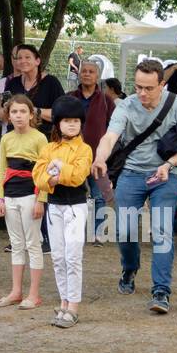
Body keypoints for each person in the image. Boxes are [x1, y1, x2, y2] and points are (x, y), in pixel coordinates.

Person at [92, 59, 177, 314]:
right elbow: (110, 137)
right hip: (131, 174)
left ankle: (161, 291)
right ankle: (130, 267)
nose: (141, 93)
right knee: (124, 230)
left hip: (165, 176)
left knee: (162, 232)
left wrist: (170, 164)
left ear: (162, 84)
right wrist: (99, 158)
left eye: (148, 88)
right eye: (138, 86)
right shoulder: (126, 105)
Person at [32, 96, 93, 328]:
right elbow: (38, 177)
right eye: (66, 120)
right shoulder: (49, 149)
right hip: (54, 206)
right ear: (57, 123)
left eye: (76, 121)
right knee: (57, 256)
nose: (71, 125)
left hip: (75, 207)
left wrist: (57, 169)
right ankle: (63, 302)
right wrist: (56, 175)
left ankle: (74, 306)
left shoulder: (84, 149)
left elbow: (78, 176)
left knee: (73, 255)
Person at [0, 95, 48, 309]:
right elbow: (1, 169)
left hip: (30, 196)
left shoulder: (39, 138)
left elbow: (44, 170)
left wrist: (41, 200)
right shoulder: (6, 139)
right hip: (10, 196)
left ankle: (34, 294)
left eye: (23, 111)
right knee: (16, 244)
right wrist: (0, 198)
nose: (18, 116)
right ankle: (16, 291)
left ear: (31, 114)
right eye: (14, 112)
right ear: (9, 115)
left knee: (33, 244)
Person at [74, 59, 113, 243]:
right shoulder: (70, 97)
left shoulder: (106, 101)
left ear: (97, 76)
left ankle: (98, 233)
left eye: (91, 71)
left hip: (98, 157)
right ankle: (75, 230)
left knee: (98, 195)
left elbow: (114, 127)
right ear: (79, 74)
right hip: (73, 156)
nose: (87, 74)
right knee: (75, 195)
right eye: (84, 71)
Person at [5, 45, 64, 133]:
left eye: (27, 57)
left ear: (37, 61)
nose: (23, 61)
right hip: (16, 138)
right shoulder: (13, 83)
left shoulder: (51, 82)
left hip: (43, 138)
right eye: (19, 58)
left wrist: (34, 111)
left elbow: (61, 113)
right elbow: (4, 113)